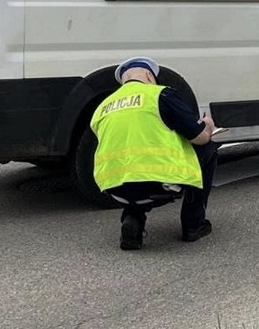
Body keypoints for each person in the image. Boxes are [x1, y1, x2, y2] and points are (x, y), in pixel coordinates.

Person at [90, 57, 220, 250]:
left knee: (132, 169)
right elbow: (199, 137)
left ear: (125, 80)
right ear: (150, 75)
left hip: (112, 187)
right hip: (160, 183)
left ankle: (133, 218)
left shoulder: (103, 107)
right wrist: (208, 126)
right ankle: (194, 224)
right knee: (208, 149)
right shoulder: (160, 95)